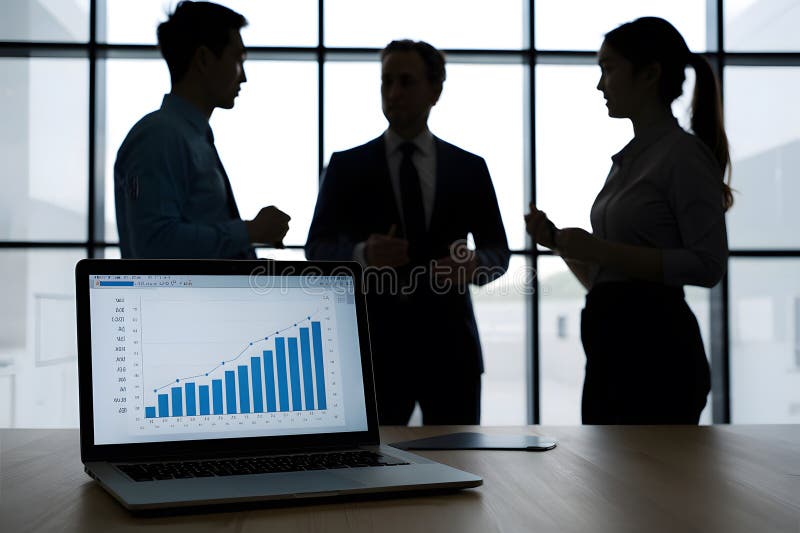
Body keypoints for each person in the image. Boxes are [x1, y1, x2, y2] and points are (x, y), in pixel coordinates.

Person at [526, 17, 732, 424]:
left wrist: (600, 250)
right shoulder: (629, 161)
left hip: (656, 357)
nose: (600, 85)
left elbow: (708, 265)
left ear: (650, 74)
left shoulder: (682, 156)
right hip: (613, 354)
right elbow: (610, 280)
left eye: (608, 68)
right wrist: (560, 244)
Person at [306, 39, 510, 425]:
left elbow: (498, 250)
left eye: (405, 81)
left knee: (460, 457)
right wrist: (363, 255)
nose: (393, 92)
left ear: (435, 90)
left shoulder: (470, 168)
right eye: (386, 82)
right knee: (371, 460)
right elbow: (317, 247)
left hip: (452, 350)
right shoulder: (345, 167)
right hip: (374, 351)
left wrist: (475, 266)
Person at [114, 1, 290, 259]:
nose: (243, 76)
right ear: (204, 59)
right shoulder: (160, 137)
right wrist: (250, 231)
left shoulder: (183, 136)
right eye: (238, 59)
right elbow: (154, 245)